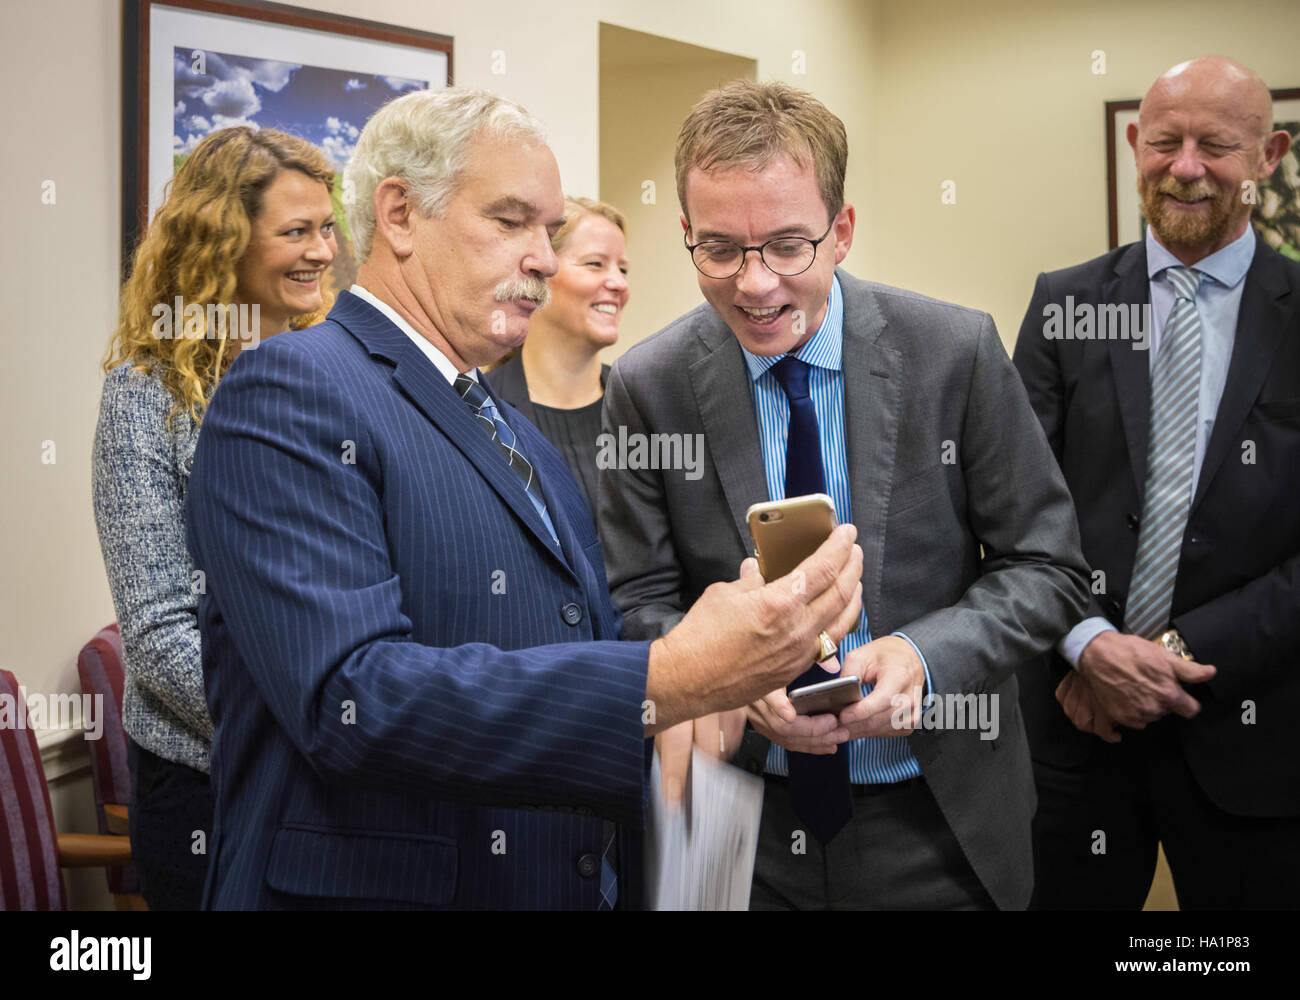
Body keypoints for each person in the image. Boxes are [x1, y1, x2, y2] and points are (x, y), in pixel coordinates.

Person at [183, 87, 864, 910]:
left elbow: (565, 652)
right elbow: (355, 698)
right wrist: (673, 675)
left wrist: (713, 686)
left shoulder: (511, 430)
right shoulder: (290, 392)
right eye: (511, 223)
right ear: (398, 214)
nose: (544, 257)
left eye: (548, 230)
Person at [599, 79, 1091, 910]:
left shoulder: (955, 352)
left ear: (843, 232)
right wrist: (726, 675)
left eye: (789, 244)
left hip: (936, 816)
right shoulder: (647, 384)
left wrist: (924, 660)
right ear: (685, 234)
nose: (755, 285)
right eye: (719, 249)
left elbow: (1046, 567)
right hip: (735, 823)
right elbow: (637, 597)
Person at [1013, 55, 1300, 909]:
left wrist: (1172, 657)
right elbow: (1011, 511)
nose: (1185, 166)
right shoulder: (1063, 305)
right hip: (1073, 723)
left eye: (1216, 145)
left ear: (1268, 156)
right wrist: (1090, 645)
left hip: (1252, 733)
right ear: (1136, 143)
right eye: (1165, 141)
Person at [92, 126, 338, 909]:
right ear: (224, 242)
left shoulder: (331, 375)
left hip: (336, 765)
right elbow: (162, 632)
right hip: (210, 783)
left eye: (327, 228)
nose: (322, 252)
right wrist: (310, 717)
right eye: (295, 231)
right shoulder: (145, 396)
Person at [485, 197, 629, 519]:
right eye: (595, 264)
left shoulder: (642, 405)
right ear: (540, 272)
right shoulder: (484, 412)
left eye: (623, 269)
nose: (619, 283)